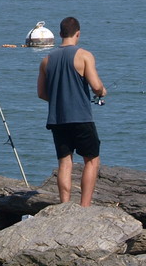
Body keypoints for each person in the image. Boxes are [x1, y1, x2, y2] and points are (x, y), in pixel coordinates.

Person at [36, 16, 106, 206]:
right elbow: (96, 85)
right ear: (78, 34)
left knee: (65, 163)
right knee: (91, 160)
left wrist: (61, 99)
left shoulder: (46, 60)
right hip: (81, 117)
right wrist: (102, 91)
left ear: (60, 34)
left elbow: (42, 93)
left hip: (57, 119)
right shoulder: (84, 55)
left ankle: (64, 205)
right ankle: (84, 206)